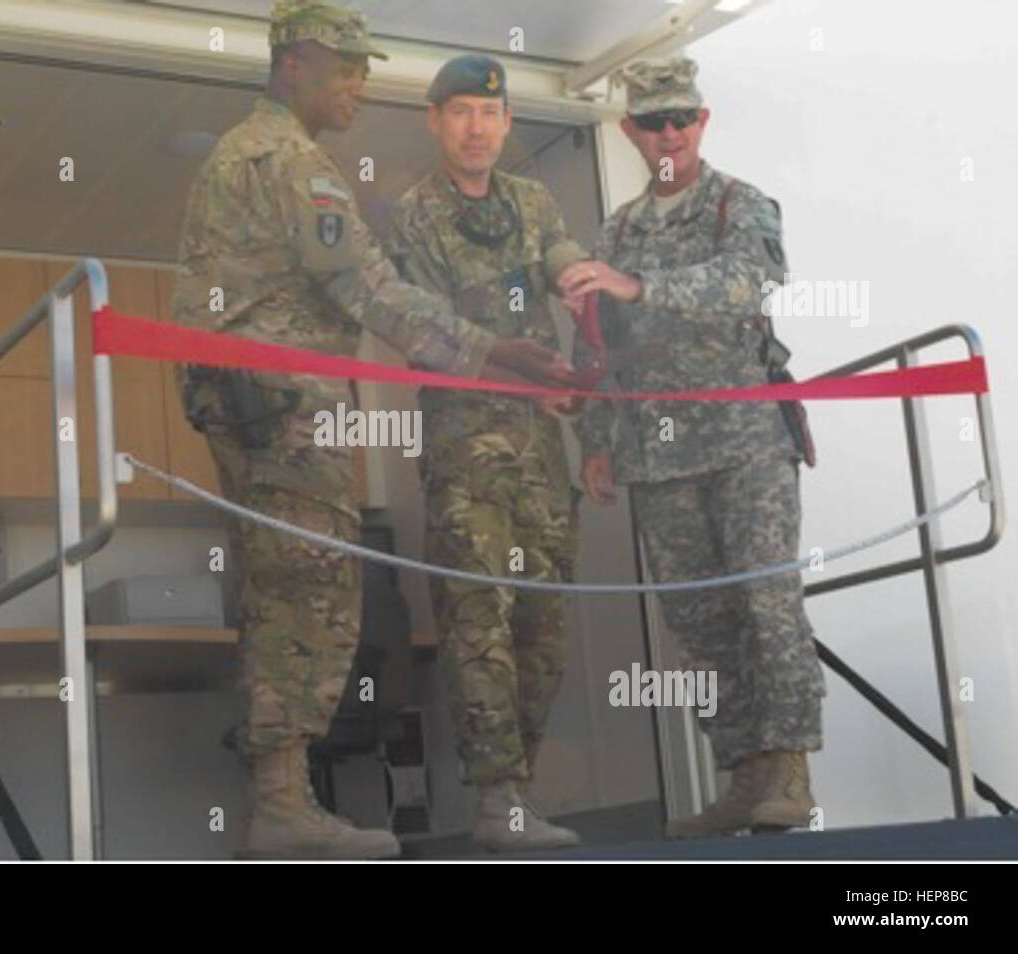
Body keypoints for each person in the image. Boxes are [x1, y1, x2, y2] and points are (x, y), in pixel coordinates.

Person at [172, 1, 579, 859]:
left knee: (280, 591)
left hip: (257, 404)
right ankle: (281, 809)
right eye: (346, 64)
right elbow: (371, 289)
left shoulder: (244, 152)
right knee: (309, 594)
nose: (360, 81)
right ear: (295, 63)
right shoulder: (290, 161)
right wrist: (493, 351)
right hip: (284, 412)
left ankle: (277, 804)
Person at [564, 56, 825, 838]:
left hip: (745, 446)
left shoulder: (737, 205)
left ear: (702, 123)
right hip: (660, 455)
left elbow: (751, 280)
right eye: (653, 121)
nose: (669, 132)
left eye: (682, 117)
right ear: (630, 132)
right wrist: (599, 438)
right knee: (700, 621)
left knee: (766, 603)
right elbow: (600, 348)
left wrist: (642, 286)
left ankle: (787, 768)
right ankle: (744, 773)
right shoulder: (616, 232)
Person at [387, 55, 596, 851]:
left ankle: (523, 793)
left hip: (541, 449)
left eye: (490, 113)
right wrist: (516, 362)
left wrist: (579, 278)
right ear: (435, 122)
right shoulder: (414, 215)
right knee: (480, 622)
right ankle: (496, 800)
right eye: (461, 112)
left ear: (508, 124)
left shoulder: (531, 200)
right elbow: (426, 330)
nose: (477, 128)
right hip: (466, 449)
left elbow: (557, 257)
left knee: (543, 627)